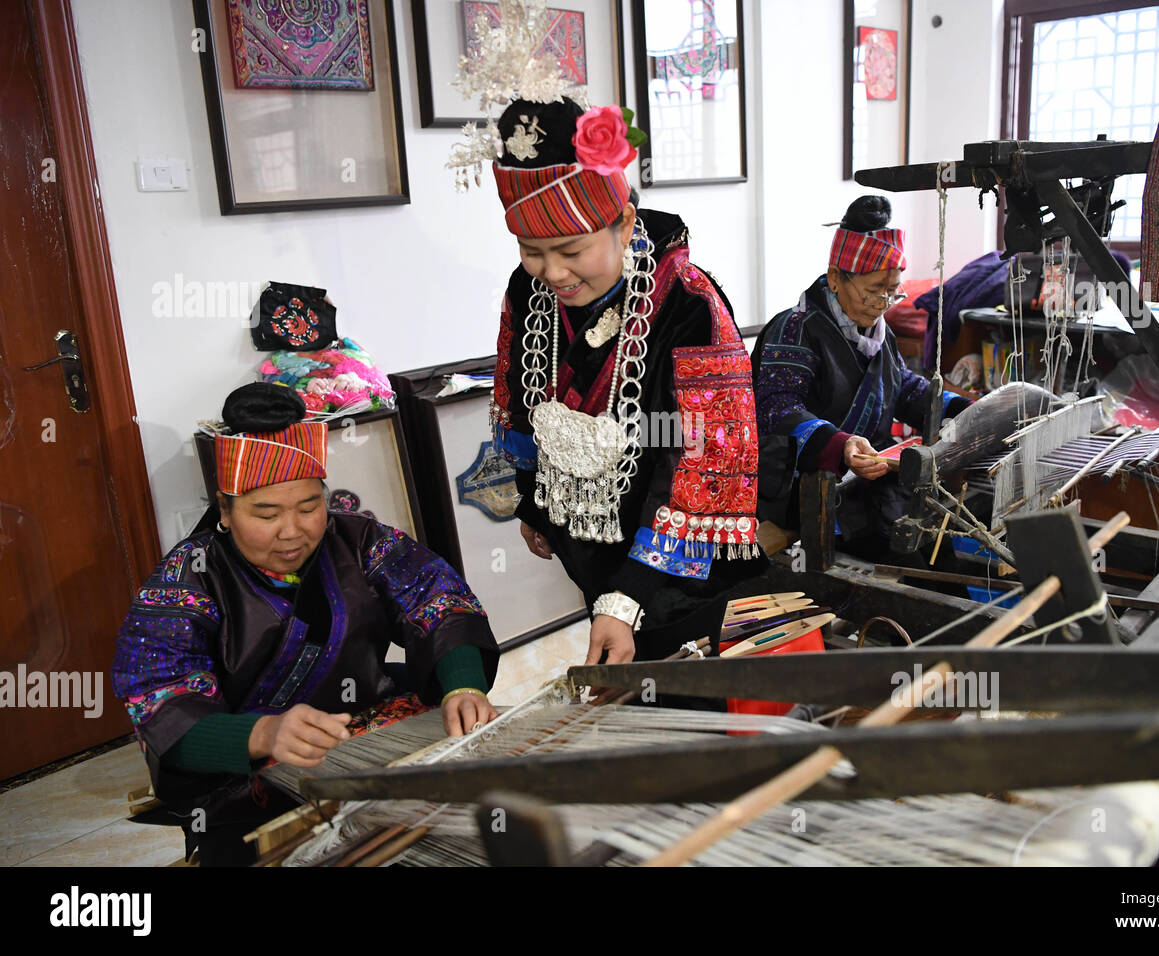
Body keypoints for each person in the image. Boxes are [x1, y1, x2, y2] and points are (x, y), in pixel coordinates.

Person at [110, 383, 499, 864]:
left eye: (309, 506)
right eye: (265, 513)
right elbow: (159, 700)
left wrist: (464, 686)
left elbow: (437, 600)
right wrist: (264, 735)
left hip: (370, 724)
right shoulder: (188, 579)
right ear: (225, 511)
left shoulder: (358, 540)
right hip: (249, 775)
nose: (292, 531)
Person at [467, 95, 767, 668]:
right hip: (590, 549)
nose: (552, 272)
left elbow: (704, 455)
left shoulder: (688, 304)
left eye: (571, 250)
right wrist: (532, 503)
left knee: (684, 685)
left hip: (683, 563)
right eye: (533, 251)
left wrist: (631, 592)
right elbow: (519, 393)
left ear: (625, 222)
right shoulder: (527, 290)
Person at [752, 196, 971, 558]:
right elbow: (777, 410)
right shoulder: (794, 330)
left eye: (892, 290)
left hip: (870, 486)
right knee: (911, 562)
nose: (883, 302)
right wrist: (842, 446)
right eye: (873, 291)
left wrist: (961, 410)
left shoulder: (877, 333)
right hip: (815, 494)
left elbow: (901, 388)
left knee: (939, 552)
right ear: (836, 278)